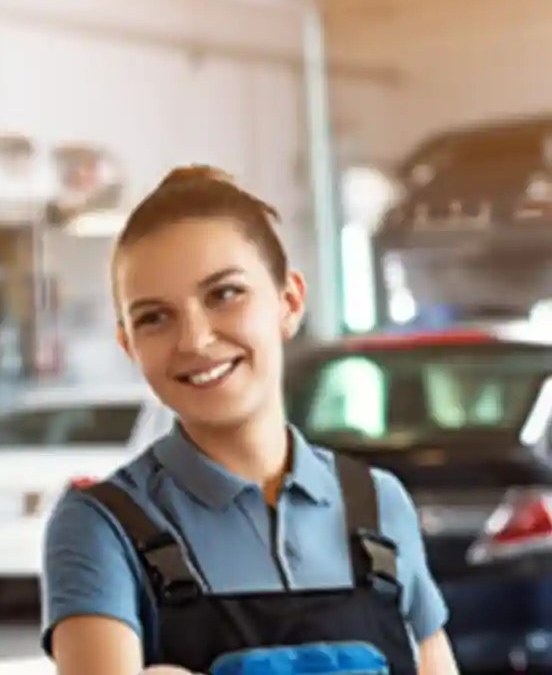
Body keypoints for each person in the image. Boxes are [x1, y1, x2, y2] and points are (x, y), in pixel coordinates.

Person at [41, 166, 459, 675]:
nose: (194, 340)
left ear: (289, 302)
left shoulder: (379, 505)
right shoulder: (100, 526)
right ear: (128, 343)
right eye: (154, 317)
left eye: (224, 294)